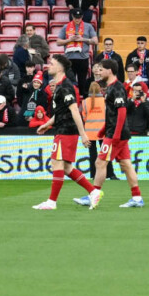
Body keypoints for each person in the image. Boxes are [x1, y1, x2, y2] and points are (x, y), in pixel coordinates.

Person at [32, 55, 99, 211]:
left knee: (56, 163)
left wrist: (83, 134)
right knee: (67, 167)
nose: (48, 66)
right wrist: (47, 125)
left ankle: (52, 202)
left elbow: (74, 109)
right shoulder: (59, 86)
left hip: (67, 131)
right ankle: (93, 191)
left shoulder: (66, 86)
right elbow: (61, 112)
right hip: (63, 129)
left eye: (51, 64)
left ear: (60, 68)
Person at [75, 60, 144, 208]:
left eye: (101, 70)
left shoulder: (117, 88)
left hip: (115, 134)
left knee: (100, 162)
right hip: (115, 132)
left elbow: (122, 112)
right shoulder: (111, 88)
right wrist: (103, 129)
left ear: (110, 71)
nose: (99, 72)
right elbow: (112, 113)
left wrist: (115, 134)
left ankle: (94, 194)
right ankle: (137, 198)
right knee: (126, 164)